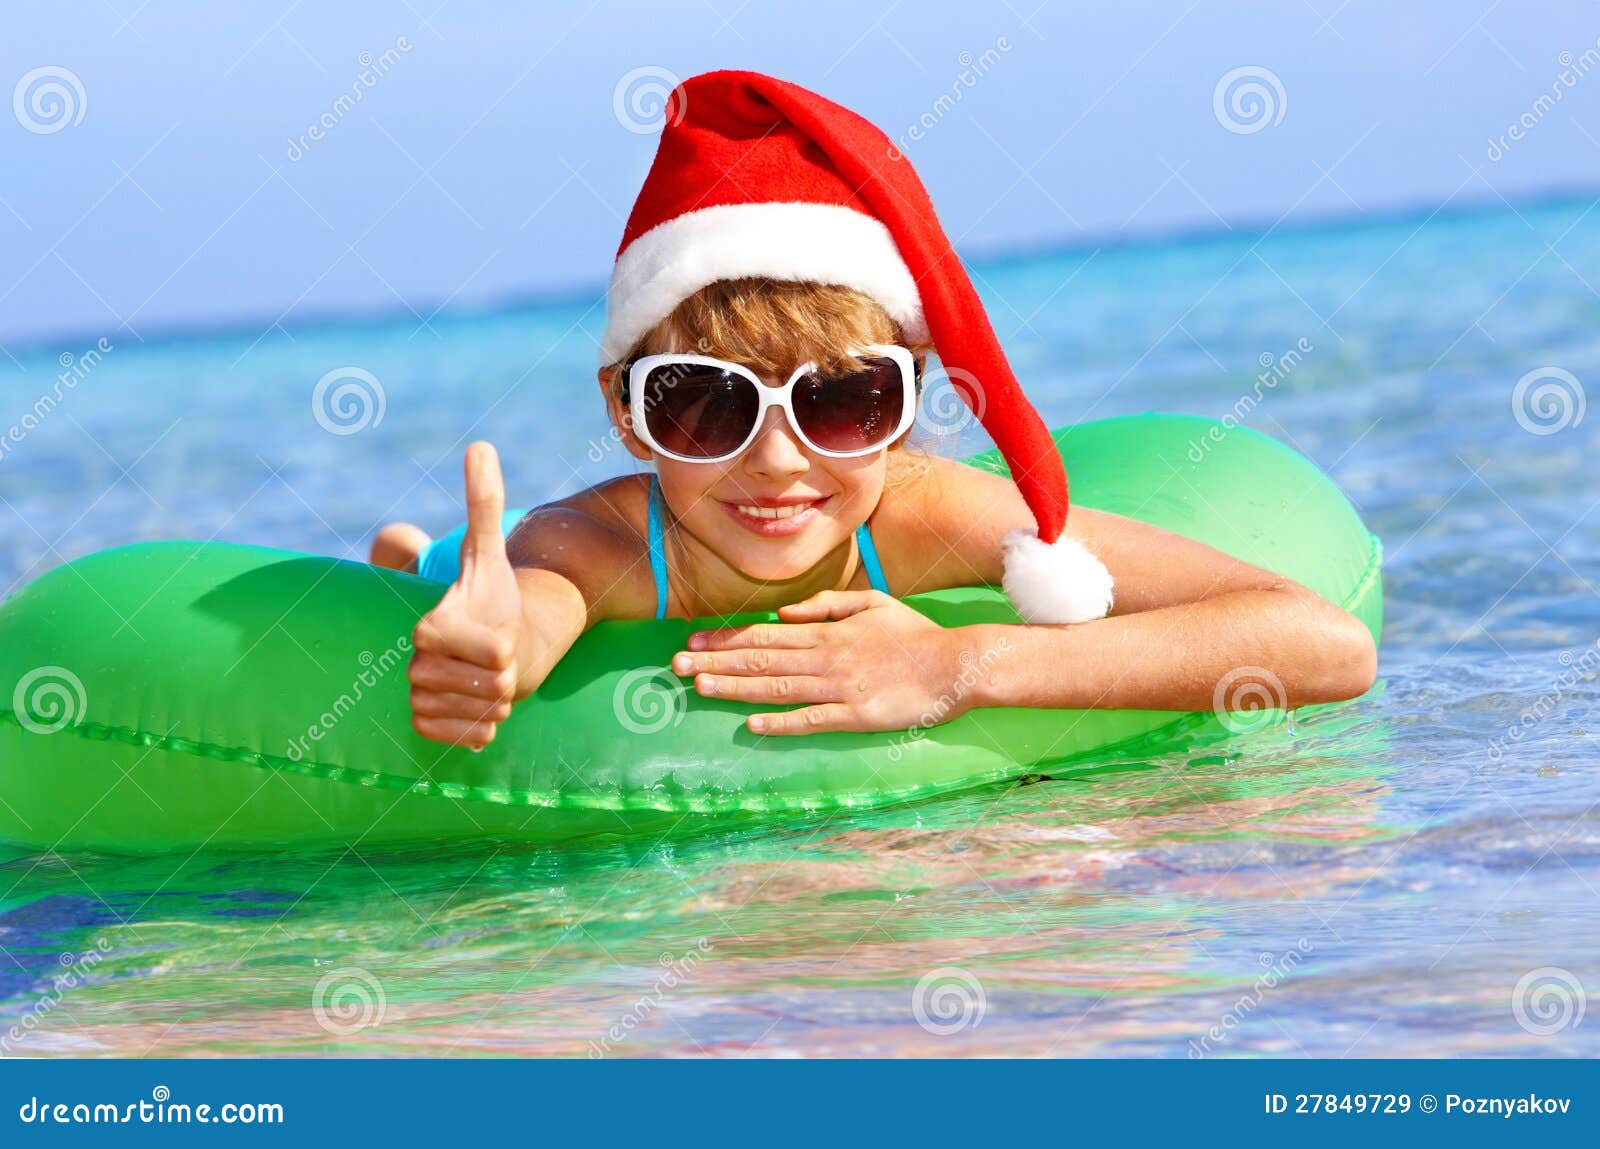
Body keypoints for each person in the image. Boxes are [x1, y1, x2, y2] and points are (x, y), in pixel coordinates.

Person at [370, 70, 1376, 749]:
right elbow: (544, 595)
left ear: (907, 404)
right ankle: (413, 551)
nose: (775, 461)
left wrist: (959, 664)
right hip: (499, 554)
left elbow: (1325, 645)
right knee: (446, 561)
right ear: (626, 415)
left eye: (843, 401)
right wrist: (502, 645)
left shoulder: (922, 513)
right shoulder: (605, 542)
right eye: (703, 406)